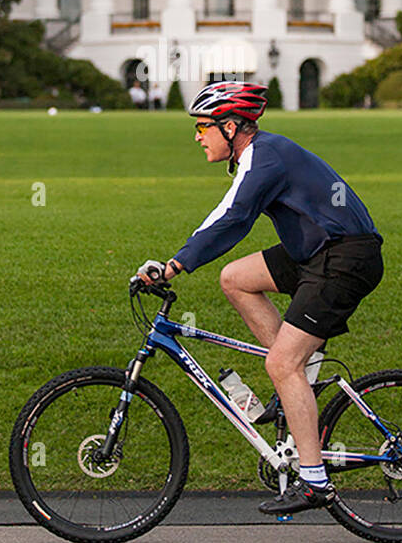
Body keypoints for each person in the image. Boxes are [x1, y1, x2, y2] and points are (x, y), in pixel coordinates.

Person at [136, 81, 384, 516]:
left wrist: (173, 266)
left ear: (231, 126)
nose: (198, 136)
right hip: (316, 250)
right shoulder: (262, 152)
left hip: (344, 258)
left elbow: (233, 217)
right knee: (235, 278)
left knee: (281, 363)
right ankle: (297, 380)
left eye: (203, 127)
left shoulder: (265, 156)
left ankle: (314, 481)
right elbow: (229, 215)